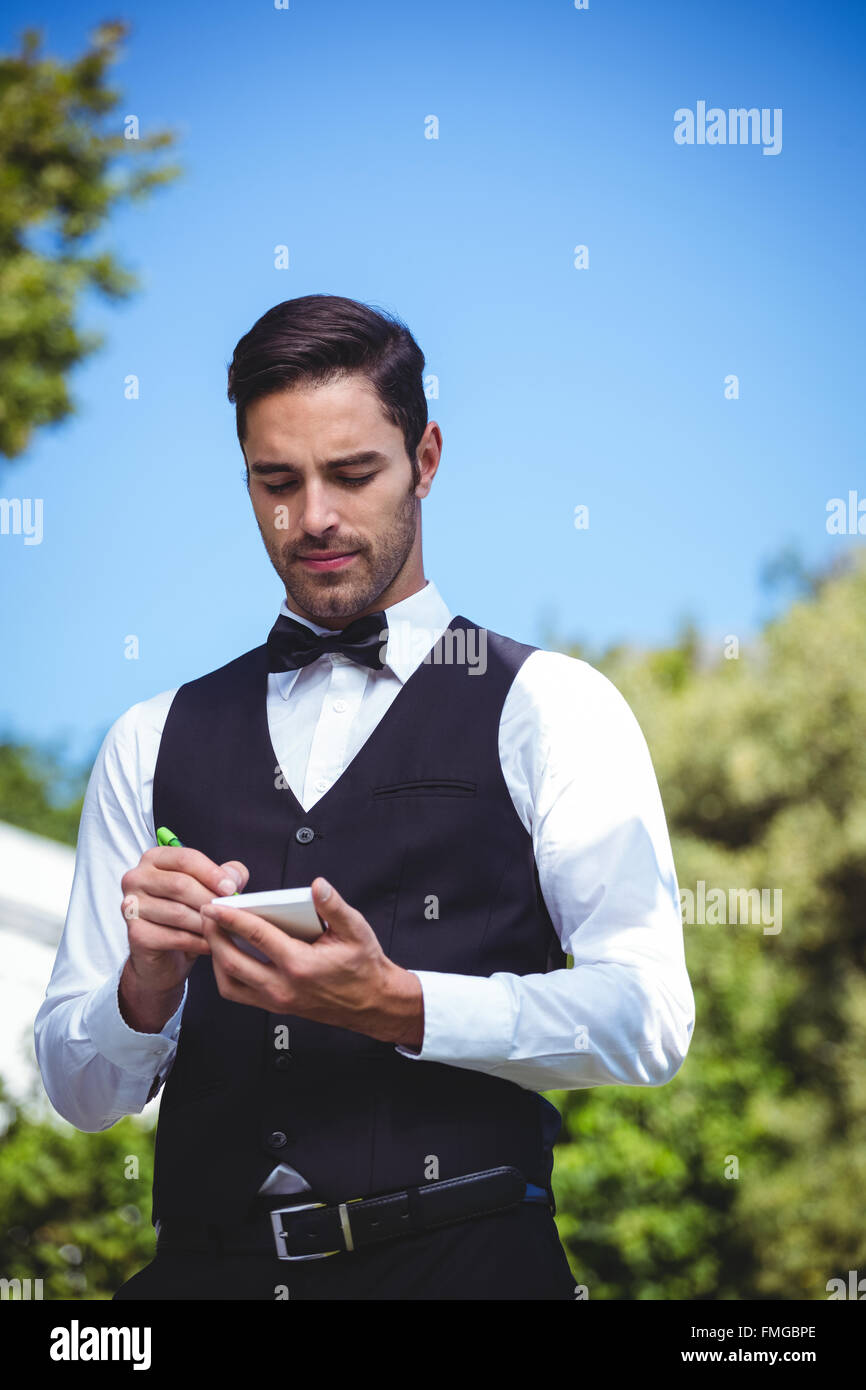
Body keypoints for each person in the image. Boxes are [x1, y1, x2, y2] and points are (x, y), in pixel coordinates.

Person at [35, 294, 695, 1301]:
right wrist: (145, 985)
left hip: (468, 1270)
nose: (315, 521)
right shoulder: (148, 738)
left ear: (424, 458)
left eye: (352, 474)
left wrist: (398, 1004)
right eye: (276, 482)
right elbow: (79, 1093)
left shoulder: (549, 704)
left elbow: (647, 1018)